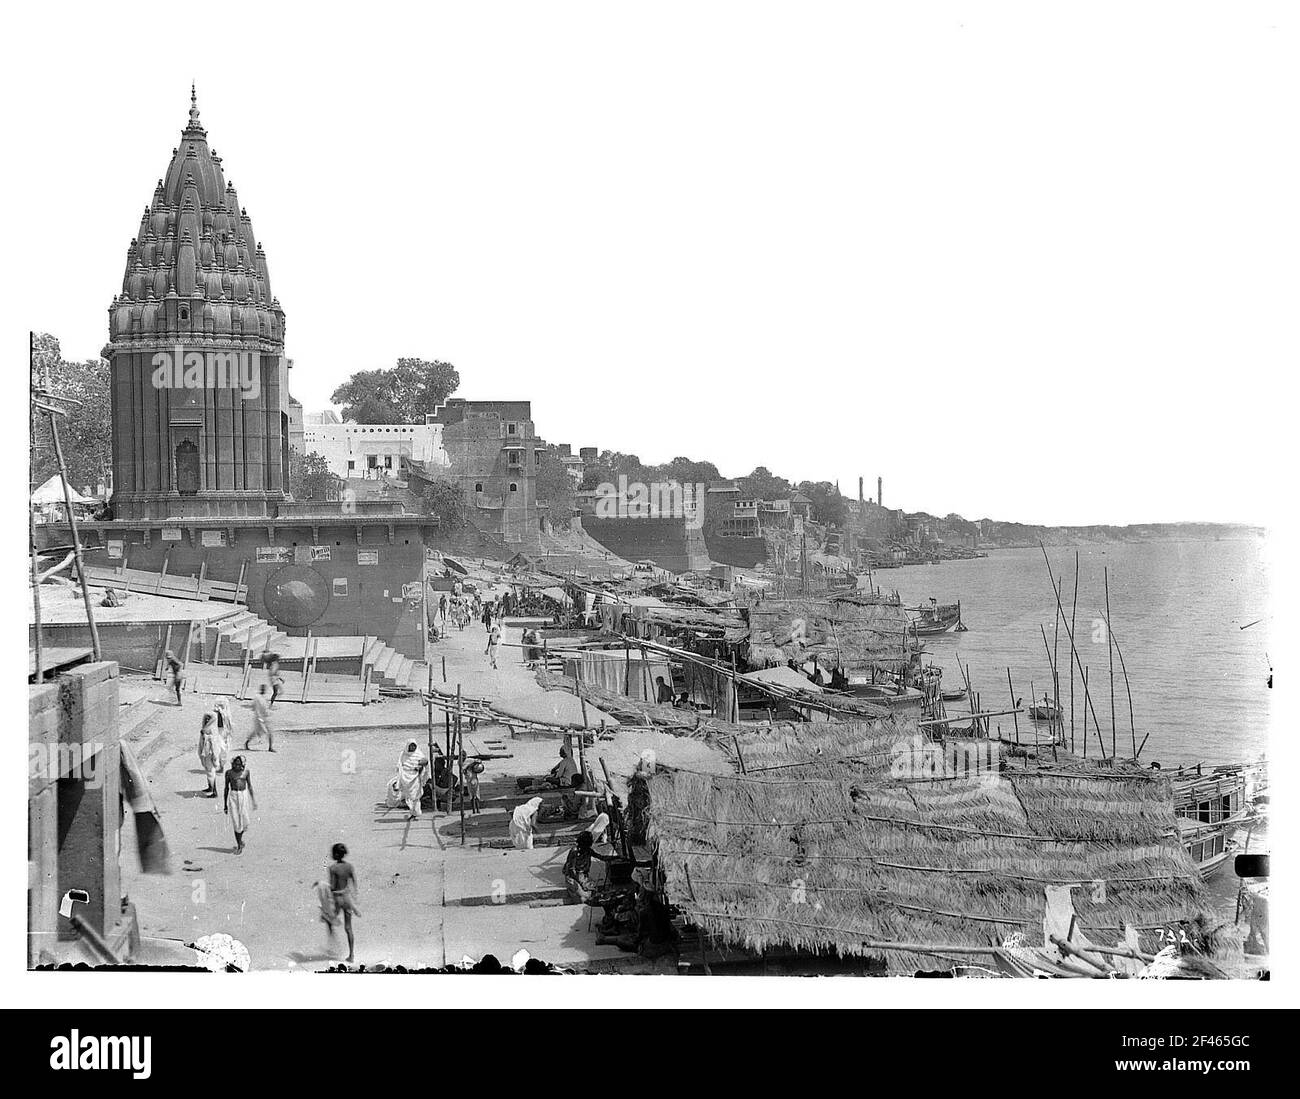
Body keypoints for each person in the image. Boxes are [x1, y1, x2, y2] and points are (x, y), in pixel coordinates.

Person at [562, 831, 617, 903]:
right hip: (573, 878)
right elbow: (572, 870)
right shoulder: (574, 852)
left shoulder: (588, 851)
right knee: (582, 898)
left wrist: (614, 858)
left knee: (590, 895)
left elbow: (601, 857)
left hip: (583, 877)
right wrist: (581, 882)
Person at [328, 843, 360, 964]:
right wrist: (353, 899)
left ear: (336, 854)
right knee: (348, 928)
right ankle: (351, 955)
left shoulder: (333, 869)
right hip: (346, 898)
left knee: (330, 919)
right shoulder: (349, 867)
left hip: (337, 898)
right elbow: (353, 882)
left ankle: (333, 946)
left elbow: (332, 886)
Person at [223, 755, 257, 854]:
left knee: (244, 820)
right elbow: (226, 788)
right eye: (235, 764)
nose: (237, 766)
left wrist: (253, 800)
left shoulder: (246, 773)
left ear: (242, 765)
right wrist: (225, 805)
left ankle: (240, 840)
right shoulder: (228, 773)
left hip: (243, 796)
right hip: (233, 796)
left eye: (239, 764)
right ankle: (239, 844)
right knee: (236, 822)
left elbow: (250, 786)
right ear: (232, 764)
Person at [394, 740, 428, 820]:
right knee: (408, 796)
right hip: (405, 777)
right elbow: (399, 765)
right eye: (411, 746)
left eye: (414, 746)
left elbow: (425, 763)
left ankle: (416, 813)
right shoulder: (403, 754)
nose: (412, 748)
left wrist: (420, 768)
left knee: (415, 796)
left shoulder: (419, 754)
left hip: (415, 778)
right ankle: (413, 812)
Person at [245, 684, 276, 752]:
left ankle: (270, 747)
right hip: (259, 718)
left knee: (270, 732)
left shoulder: (265, 697)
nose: (263, 690)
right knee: (256, 732)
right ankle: (247, 742)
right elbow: (253, 706)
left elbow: (266, 707)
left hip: (266, 717)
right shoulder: (257, 697)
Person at [197, 711, 221, 797]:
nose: (207, 720)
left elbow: (214, 742)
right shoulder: (205, 727)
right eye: (206, 718)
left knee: (211, 772)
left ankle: (214, 792)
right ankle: (210, 787)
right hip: (206, 753)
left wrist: (214, 755)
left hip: (210, 753)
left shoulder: (212, 729)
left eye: (209, 718)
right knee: (208, 771)